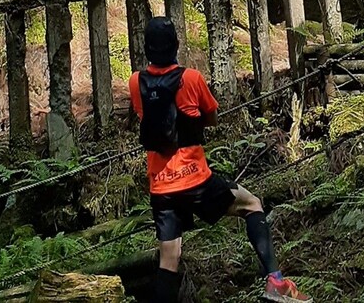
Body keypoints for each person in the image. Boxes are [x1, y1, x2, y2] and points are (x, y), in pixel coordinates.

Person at [129, 16, 311, 302]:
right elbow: (212, 117)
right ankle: (275, 281)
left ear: (147, 47)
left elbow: (145, 119)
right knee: (252, 204)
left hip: (161, 186)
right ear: (176, 45)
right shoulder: (191, 78)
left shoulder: (135, 82)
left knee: (169, 258)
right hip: (195, 180)